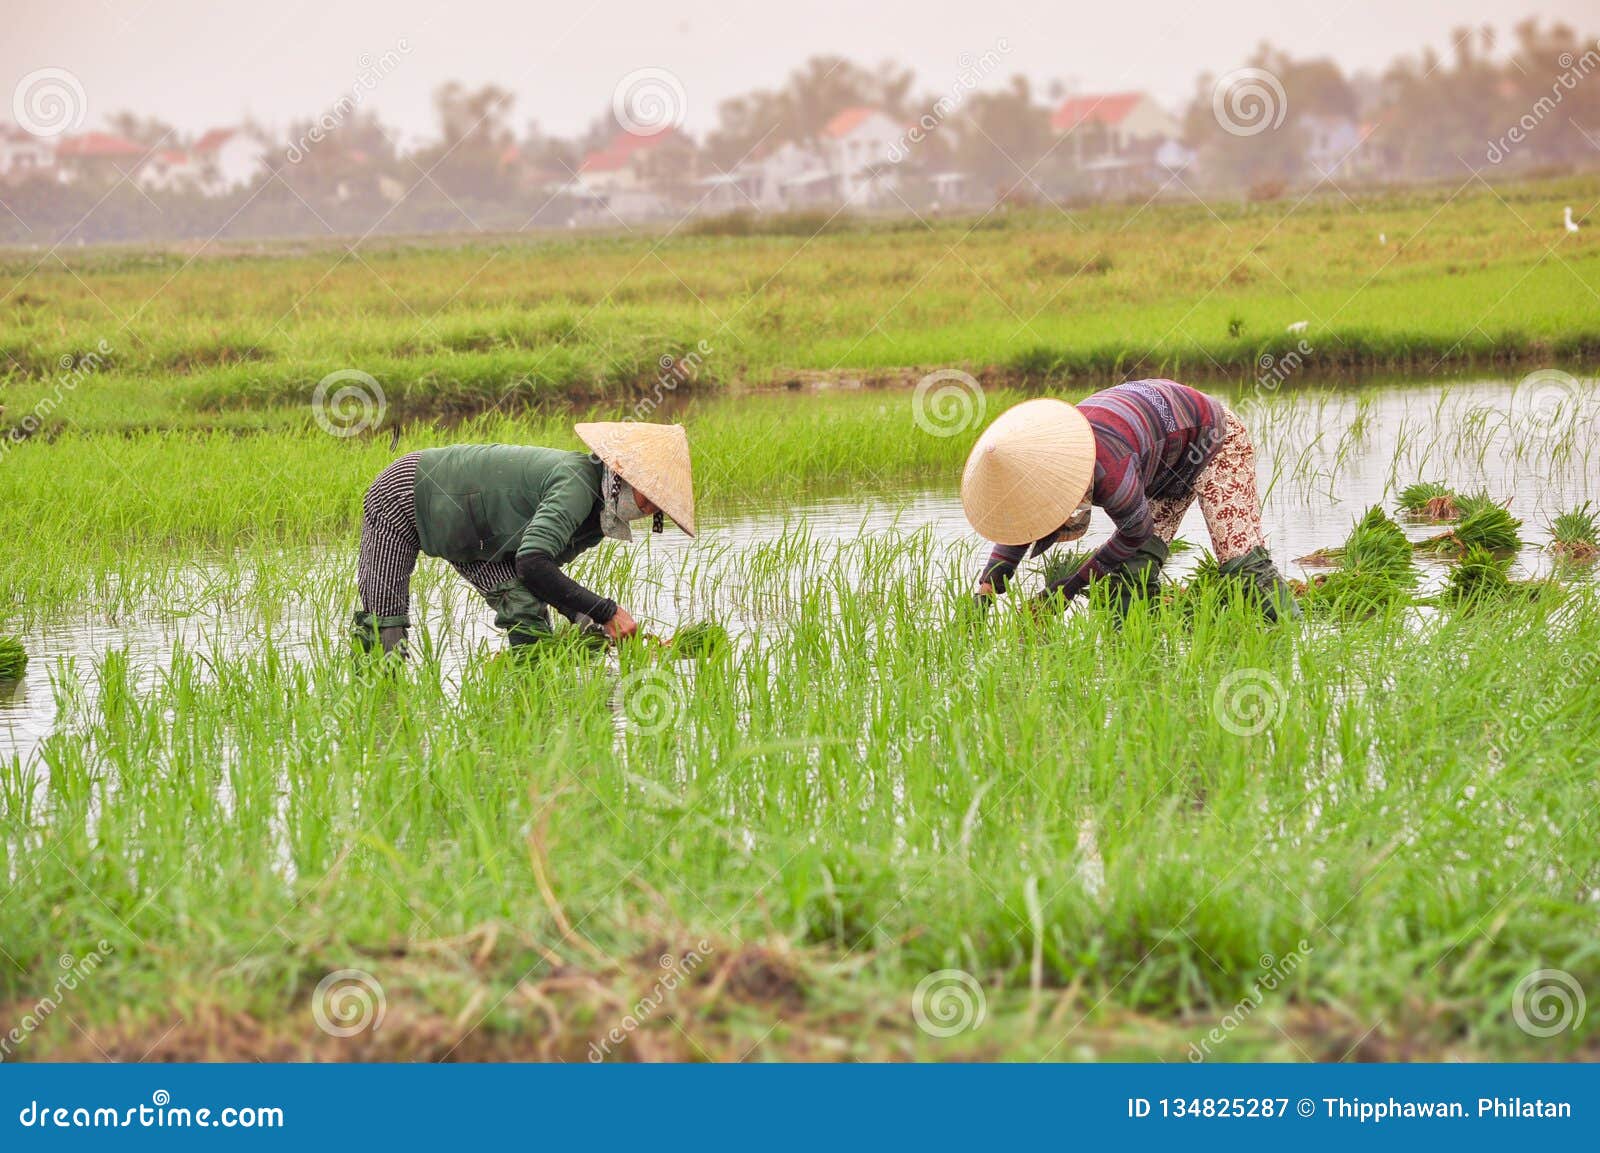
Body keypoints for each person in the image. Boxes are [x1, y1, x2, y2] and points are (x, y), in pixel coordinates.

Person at [961, 380, 1297, 620]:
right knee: (1127, 580)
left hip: (1212, 439)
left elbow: (1134, 531)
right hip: (1162, 457)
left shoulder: (1109, 469)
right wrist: (985, 592)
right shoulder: (1042, 467)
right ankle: (1143, 656)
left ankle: (1291, 634)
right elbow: (1023, 524)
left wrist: (1068, 588)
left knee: (1242, 565)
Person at [351, 421, 695, 655]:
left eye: (657, 507)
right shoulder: (577, 484)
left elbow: (537, 579)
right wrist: (605, 611)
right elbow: (533, 564)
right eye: (647, 497)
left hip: (477, 534)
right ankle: (380, 709)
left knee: (526, 614)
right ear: (621, 475)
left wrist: (590, 622)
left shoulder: (598, 519)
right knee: (385, 624)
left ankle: (530, 723)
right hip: (406, 494)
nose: (648, 510)